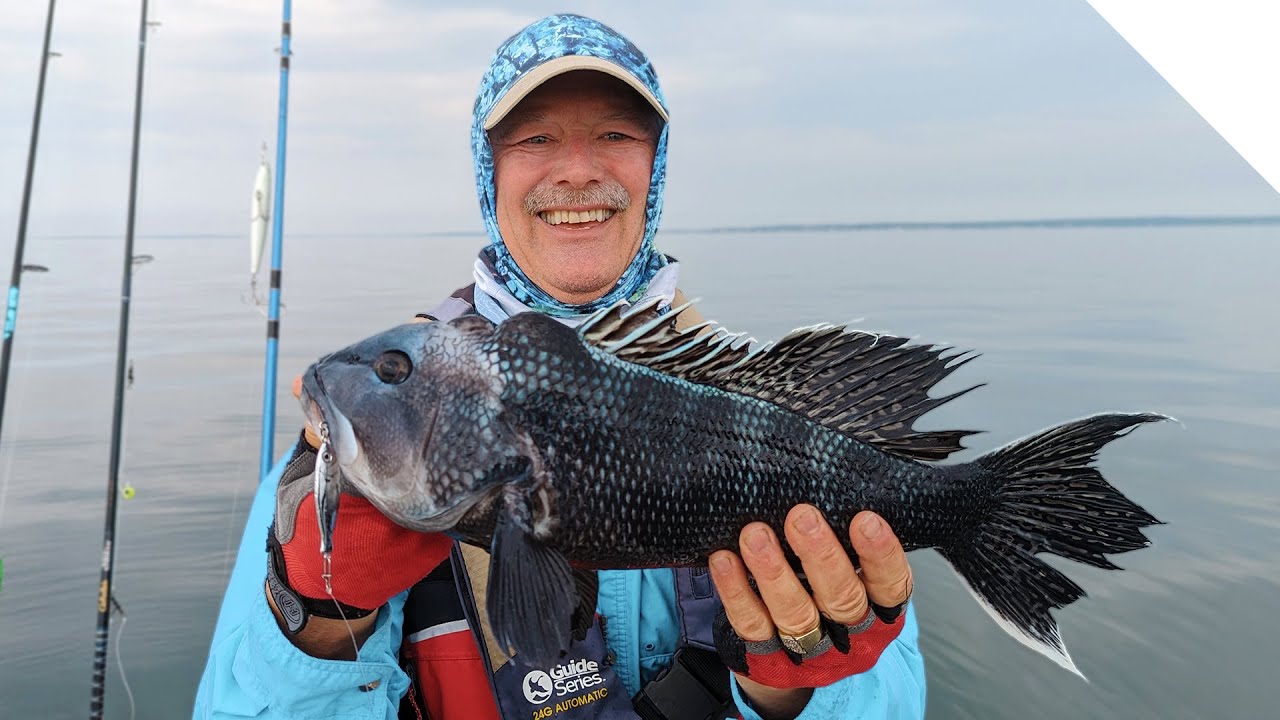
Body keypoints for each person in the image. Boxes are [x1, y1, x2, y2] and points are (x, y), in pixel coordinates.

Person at [195, 14, 924, 720]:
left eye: (616, 134)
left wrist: (796, 693)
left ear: (655, 164)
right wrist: (317, 623)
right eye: (536, 138)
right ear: (489, 170)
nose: (577, 170)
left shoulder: (765, 418)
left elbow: (893, 702)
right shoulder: (363, 448)